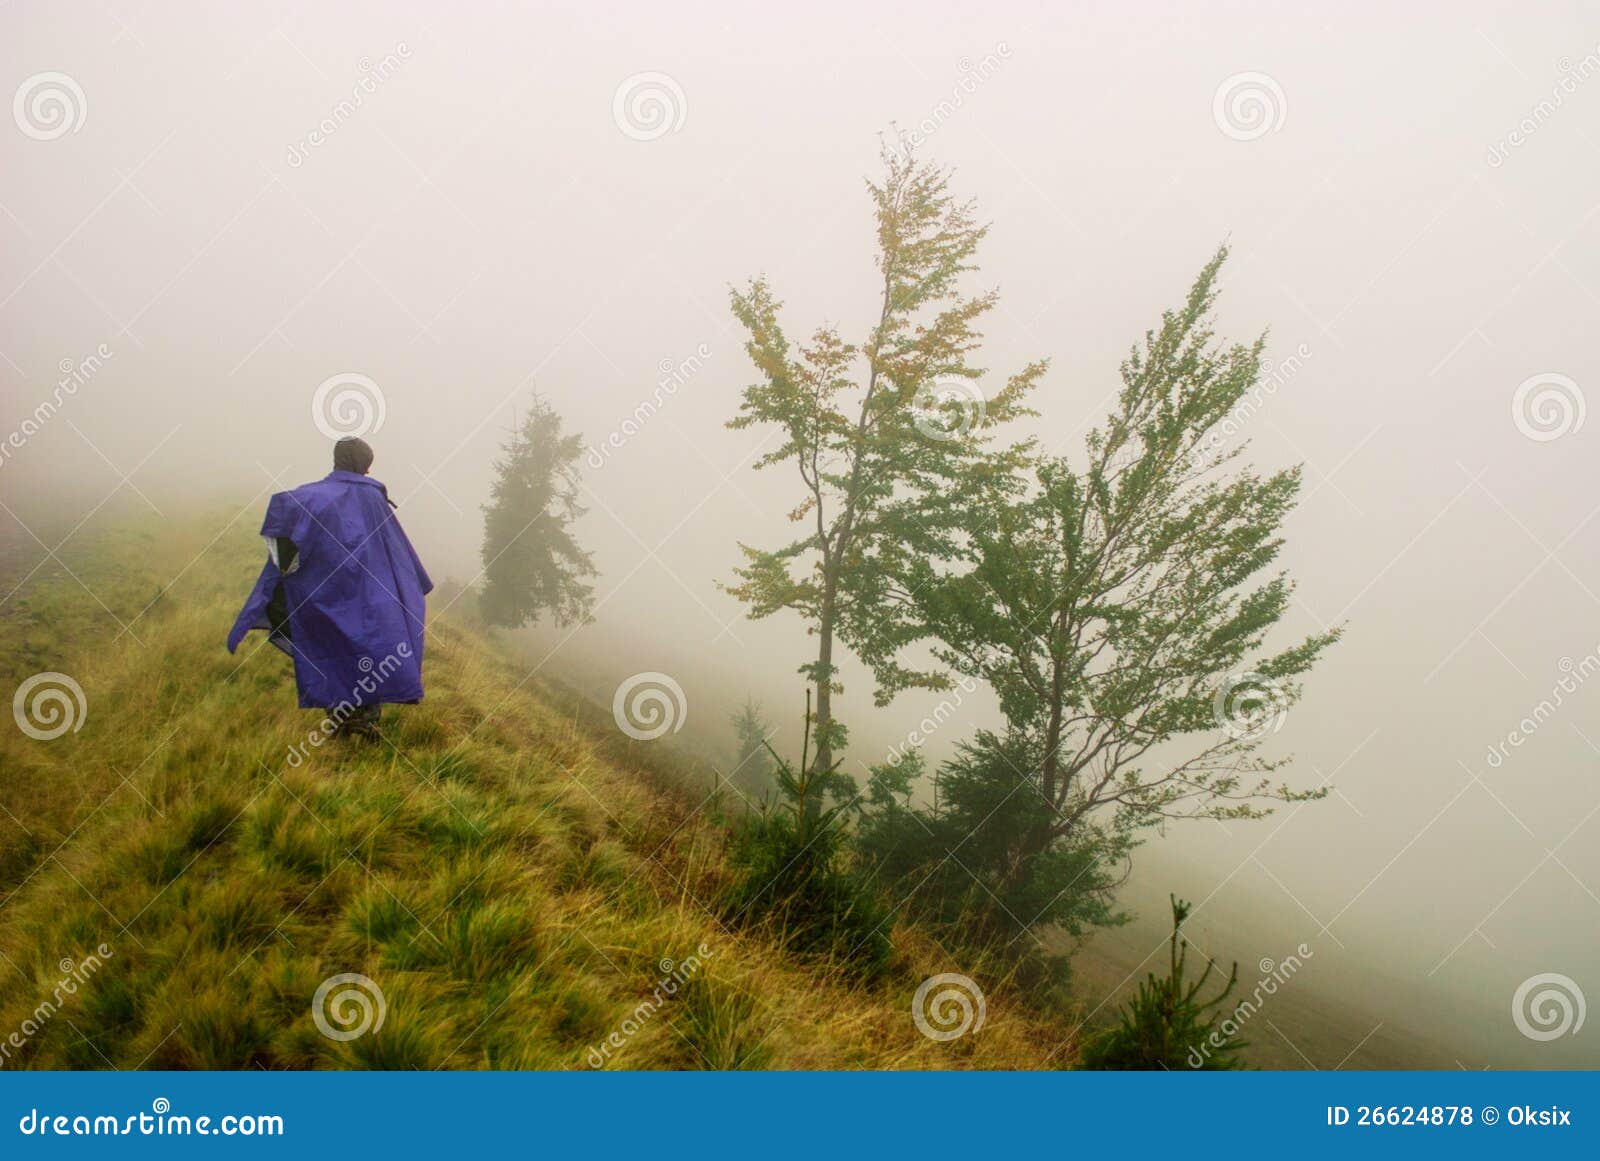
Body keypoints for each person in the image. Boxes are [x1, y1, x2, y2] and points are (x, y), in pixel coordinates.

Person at [227, 437, 432, 740]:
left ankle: (341, 718)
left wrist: (293, 570)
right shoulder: (373, 499)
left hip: (322, 596)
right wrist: (408, 586)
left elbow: (283, 534)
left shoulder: (311, 497)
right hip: (370, 597)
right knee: (370, 651)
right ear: (362, 463)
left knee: (330, 648)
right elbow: (396, 553)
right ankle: (361, 721)